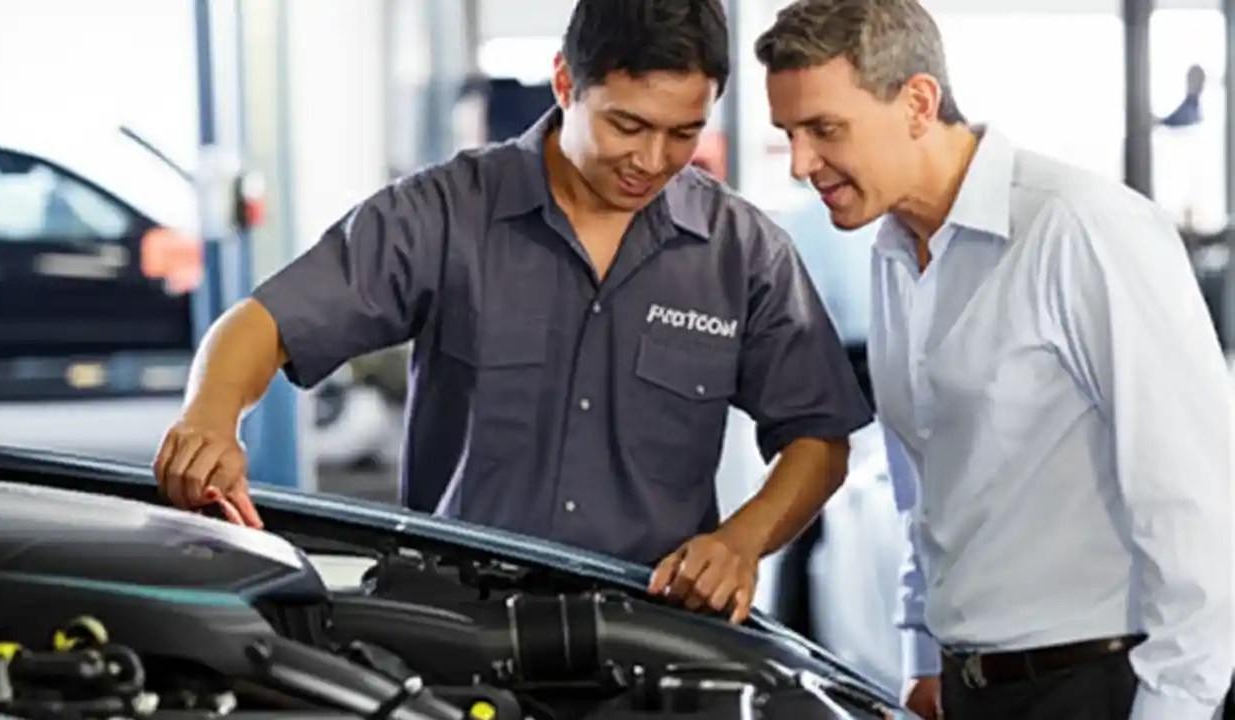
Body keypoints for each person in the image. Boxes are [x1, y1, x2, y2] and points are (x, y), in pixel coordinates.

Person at [153, 0, 874, 625]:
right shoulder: (445, 213)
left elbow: (817, 438)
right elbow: (264, 323)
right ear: (566, 82)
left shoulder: (741, 251)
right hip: (457, 624)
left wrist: (741, 542)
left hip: (654, 636)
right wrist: (210, 417)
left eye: (683, 133)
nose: (652, 159)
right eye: (627, 124)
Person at [755, 1, 1233, 719]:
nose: (800, 164)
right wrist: (922, 656)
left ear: (918, 102)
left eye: (825, 130)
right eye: (789, 134)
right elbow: (927, 487)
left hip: (1100, 690)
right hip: (969, 688)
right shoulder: (894, 251)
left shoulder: (1083, 229)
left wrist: (1176, 711)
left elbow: (1196, 502)